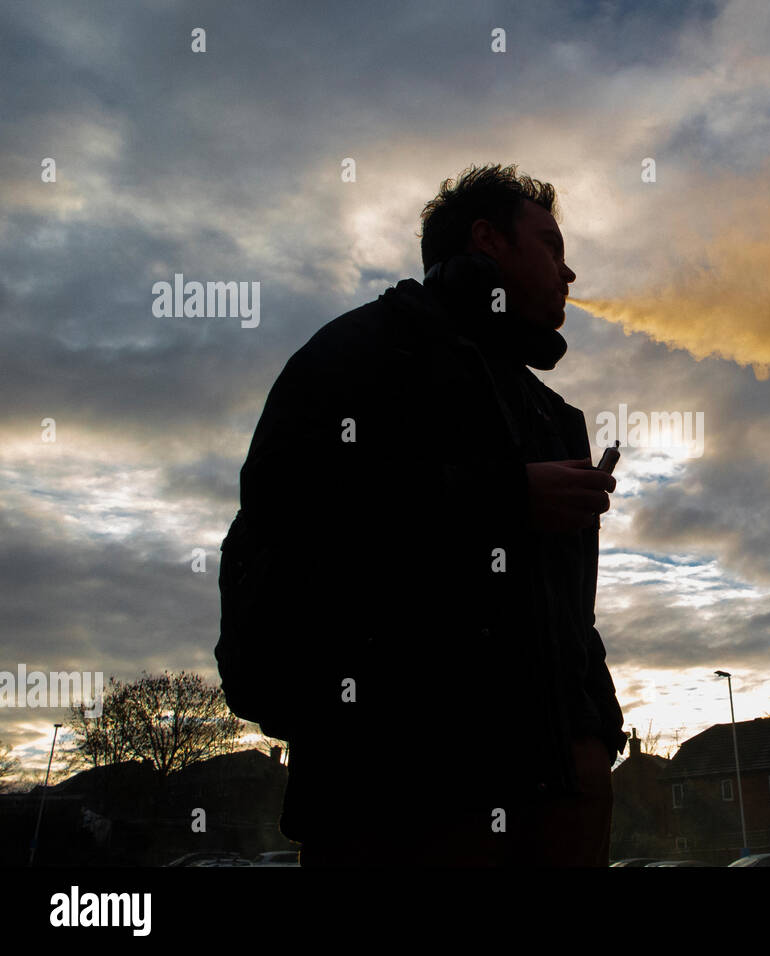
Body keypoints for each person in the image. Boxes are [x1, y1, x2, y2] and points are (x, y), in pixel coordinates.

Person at [233, 163, 626, 866]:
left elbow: (569, 619)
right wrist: (505, 497)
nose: (570, 274)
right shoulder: (361, 352)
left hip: (558, 800)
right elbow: (290, 515)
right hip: (397, 794)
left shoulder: (550, 413)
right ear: (488, 241)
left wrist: (595, 736)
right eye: (551, 247)